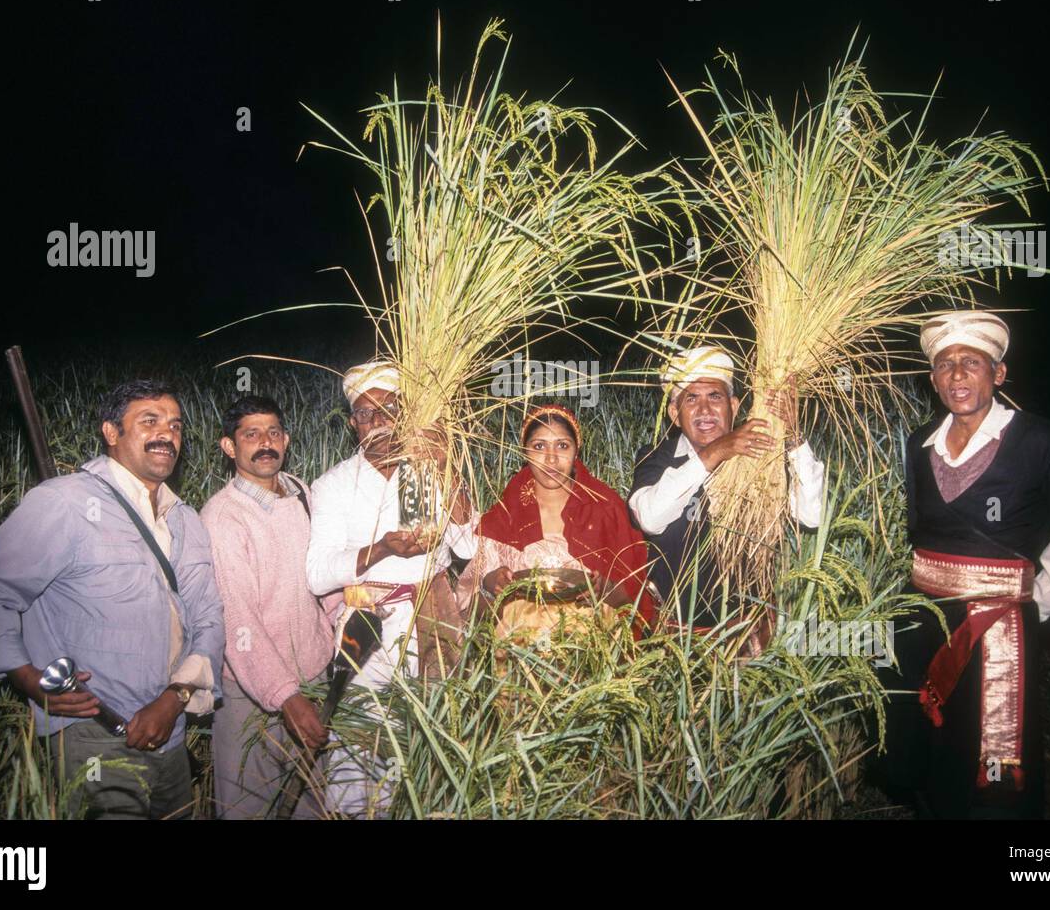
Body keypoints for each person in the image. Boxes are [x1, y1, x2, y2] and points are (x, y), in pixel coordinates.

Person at [0, 380, 224, 819]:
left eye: (175, 425)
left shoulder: (185, 519)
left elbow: (208, 617)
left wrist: (174, 697)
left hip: (170, 731)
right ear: (111, 433)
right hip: (94, 736)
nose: (166, 434)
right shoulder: (65, 502)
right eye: (149, 421)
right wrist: (24, 676)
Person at [880, 310, 1050, 818]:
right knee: (932, 743)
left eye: (971, 362)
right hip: (925, 620)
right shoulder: (919, 444)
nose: (957, 375)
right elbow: (918, 531)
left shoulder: (1044, 443)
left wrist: (1028, 609)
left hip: (1000, 627)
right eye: (945, 365)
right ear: (932, 379)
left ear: (998, 374)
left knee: (993, 754)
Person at [305, 360, 477, 814]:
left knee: (425, 748)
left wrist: (446, 467)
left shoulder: (422, 472)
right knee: (355, 750)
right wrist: (381, 549)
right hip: (365, 628)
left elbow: (467, 546)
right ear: (351, 424)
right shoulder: (334, 485)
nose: (379, 422)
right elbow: (318, 574)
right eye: (366, 413)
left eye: (389, 410)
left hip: (431, 620)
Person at [201, 395, 339, 819]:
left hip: (314, 682)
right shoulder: (223, 518)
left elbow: (323, 575)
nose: (266, 443)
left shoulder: (300, 492)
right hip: (253, 695)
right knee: (249, 807)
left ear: (287, 439)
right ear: (230, 446)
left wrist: (342, 629)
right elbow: (237, 621)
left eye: (274, 432)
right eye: (252, 434)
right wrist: (286, 696)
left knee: (312, 807)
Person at [628, 346, 826, 629]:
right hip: (674, 632)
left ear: (733, 406)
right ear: (674, 412)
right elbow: (649, 517)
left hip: (749, 631)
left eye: (715, 397)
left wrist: (793, 436)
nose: (705, 410)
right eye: (691, 398)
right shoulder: (657, 457)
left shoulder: (761, 456)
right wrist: (715, 452)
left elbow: (813, 516)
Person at [456, 404, 654, 643]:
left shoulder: (605, 508)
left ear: (576, 452)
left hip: (589, 645)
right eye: (539, 446)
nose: (551, 458)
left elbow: (635, 594)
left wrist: (606, 590)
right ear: (525, 452)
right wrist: (493, 581)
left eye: (562, 445)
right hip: (521, 645)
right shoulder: (508, 511)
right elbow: (474, 589)